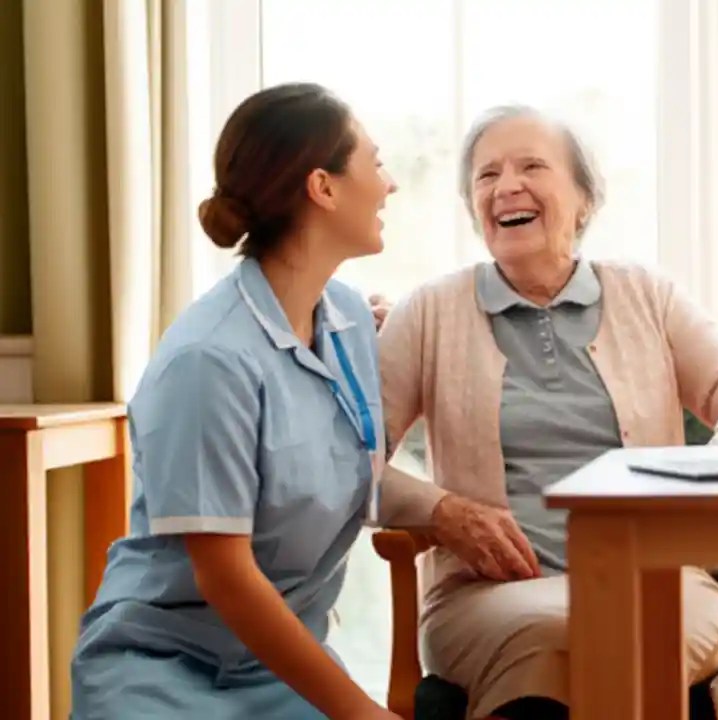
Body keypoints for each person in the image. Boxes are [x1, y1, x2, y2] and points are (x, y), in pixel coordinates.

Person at [377, 105, 718, 720]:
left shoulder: (647, 294)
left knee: (620, 628)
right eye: (487, 176)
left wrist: (706, 473)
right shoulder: (428, 312)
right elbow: (345, 463)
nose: (506, 186)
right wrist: (442, 511)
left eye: (531, 166)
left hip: (656, 578)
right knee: (553, 636)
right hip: (488, 596)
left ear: (584, 199)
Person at [70, 83, 419, 719]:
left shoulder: (345, 318)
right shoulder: (209, 360)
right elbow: (227, 579)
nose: (389, 182)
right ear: (324, 186)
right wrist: (365, 715)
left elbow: (342, 470)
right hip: (165, 670)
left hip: (282, 667)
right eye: (375, 161)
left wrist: (451, 512)